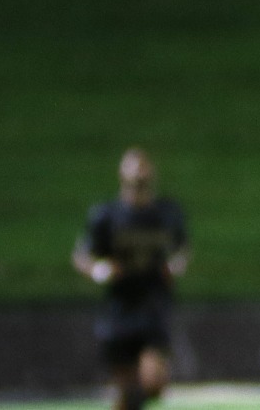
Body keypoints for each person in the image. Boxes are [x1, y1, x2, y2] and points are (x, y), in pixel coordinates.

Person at [71, 148, 188, 410]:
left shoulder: (167, 213)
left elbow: (182, 249)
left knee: (153, 383)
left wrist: (176, 265)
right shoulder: (106, 216)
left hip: (153, 305)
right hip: (120, 310)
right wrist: (100, 270)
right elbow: (82, 257)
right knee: (127, 393)